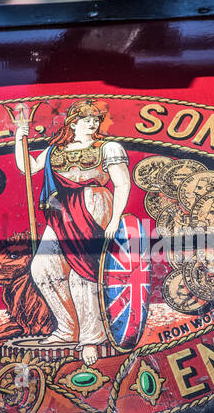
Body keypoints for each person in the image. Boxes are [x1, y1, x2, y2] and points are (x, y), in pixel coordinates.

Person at [13, 98, 131, 366]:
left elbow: (122, 184)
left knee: (84, 273)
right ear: (73, 122)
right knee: (43, 268)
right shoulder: (56, 150)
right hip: (62, 211)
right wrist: (18, 141)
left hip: (95, 205)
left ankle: (91, 337)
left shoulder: (108, 147)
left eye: (96, 120)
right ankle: (67, 328)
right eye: (87, 119)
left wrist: (115, 220)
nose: (93, 124)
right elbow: (29, 168)